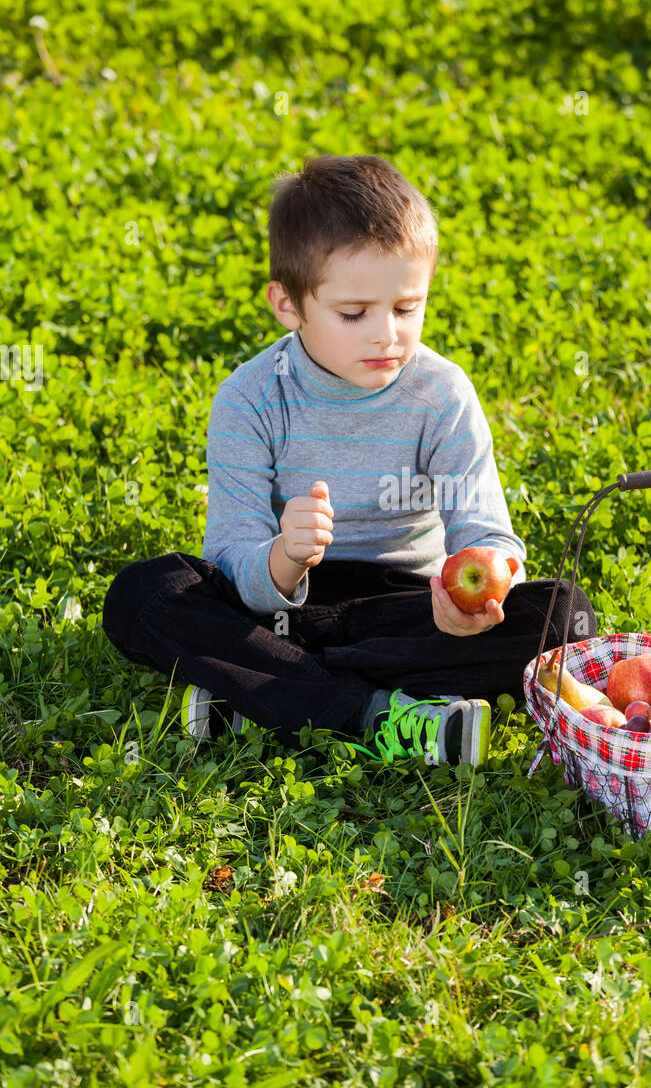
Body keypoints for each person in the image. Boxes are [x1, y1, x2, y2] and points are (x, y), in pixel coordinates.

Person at [101, 154, 596, 768]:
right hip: (284, 613)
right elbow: (229, 552)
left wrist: (479, 597)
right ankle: (371, 714)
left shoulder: (441, 393)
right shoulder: (252, 397)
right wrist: (284, 559)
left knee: (565, 620)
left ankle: (259, 693)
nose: (385, 334)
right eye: (354, 314)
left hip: (410, 609)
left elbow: (487, 532)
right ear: (288, 305)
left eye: (406, 308)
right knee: (144, 593)